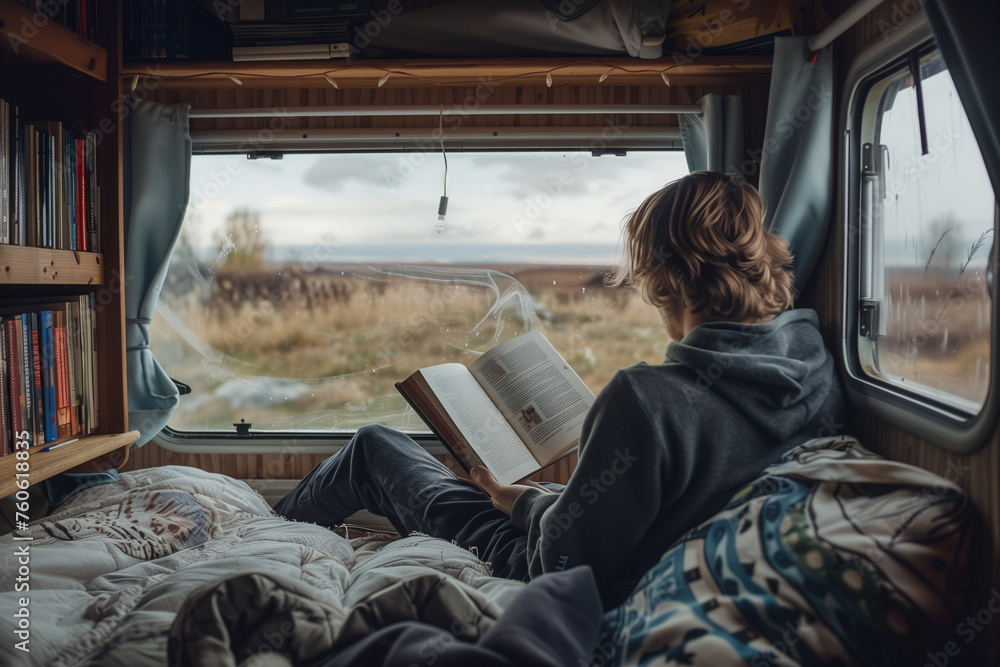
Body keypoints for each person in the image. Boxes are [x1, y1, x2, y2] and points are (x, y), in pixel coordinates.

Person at [274, 171, 846, 610]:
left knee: (375, 447)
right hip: (655, 558)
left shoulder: (647, 399)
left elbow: (560, 561)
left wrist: (521, 501)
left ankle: (260, 529)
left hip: (557, 569)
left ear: (662, 279)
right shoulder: (811, 360)